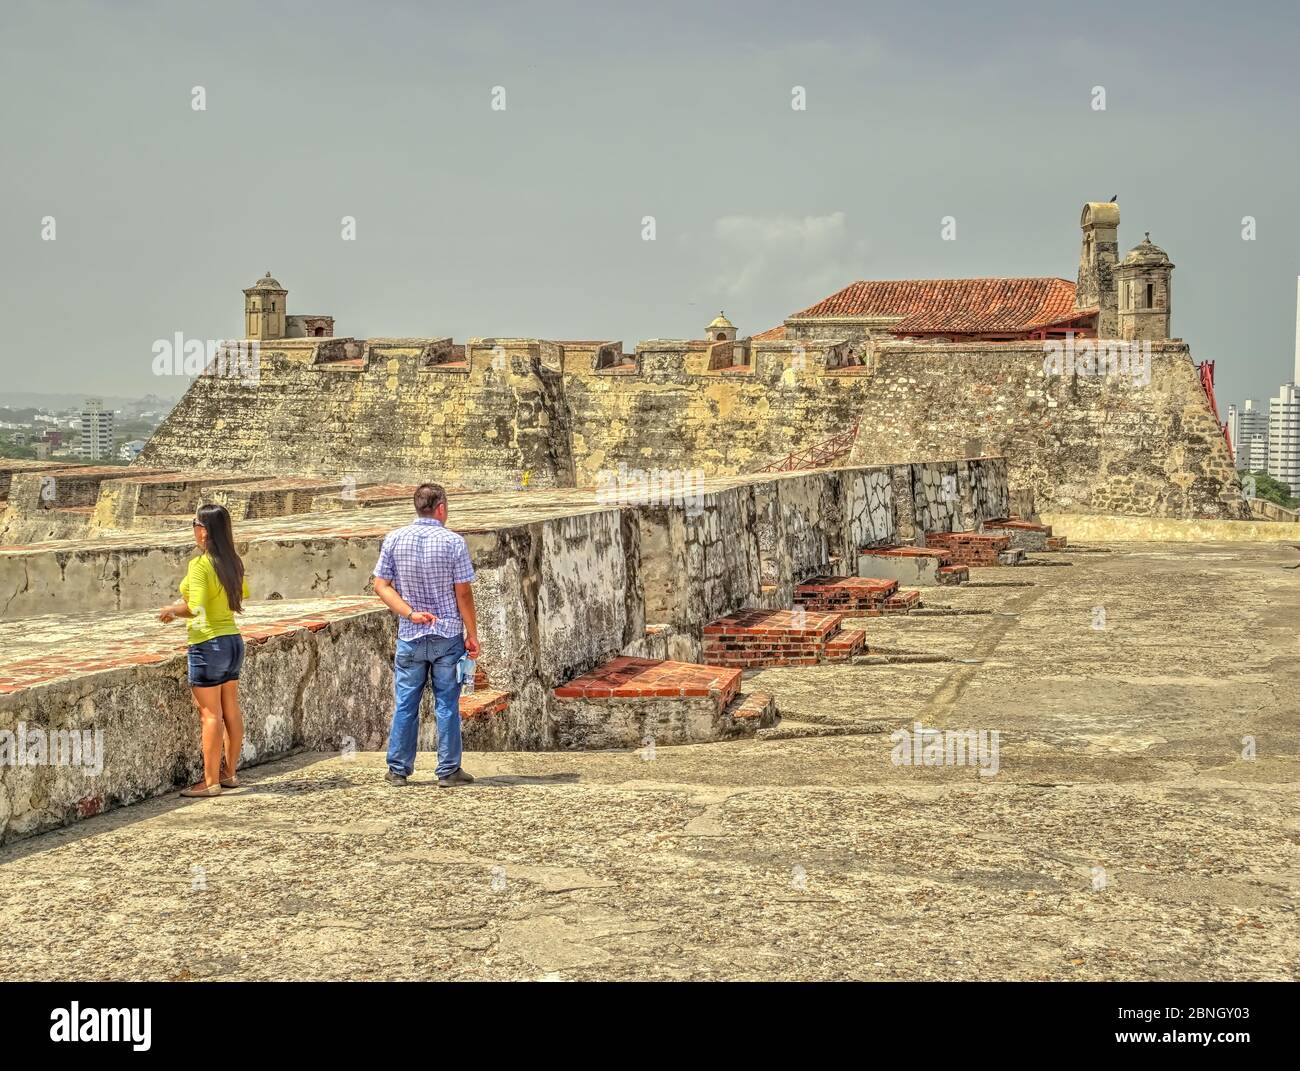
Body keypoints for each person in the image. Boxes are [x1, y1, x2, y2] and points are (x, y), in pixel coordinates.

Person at [373, 482, 481, 788]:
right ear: (441, 508)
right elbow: (463, 594)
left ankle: (397, 769)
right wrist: (472, 634)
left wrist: (409, 613)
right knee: (446, 703)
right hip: (446, 634)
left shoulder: (394, 539)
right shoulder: (453, 543)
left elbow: (381, 585)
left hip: (411, 633)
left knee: (406, 702)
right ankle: (448, 770)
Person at [159, 503, 249, 798]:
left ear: (204, 531)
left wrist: (172, 610)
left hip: (207, 644)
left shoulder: (200, 565)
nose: (194, 530)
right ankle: (230, 773)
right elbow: (242, 594)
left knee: (210, 715)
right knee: (230, 709)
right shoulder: (233, 561)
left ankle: (209, 781)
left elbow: (195, 608)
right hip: (233, 641)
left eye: (194, 524)